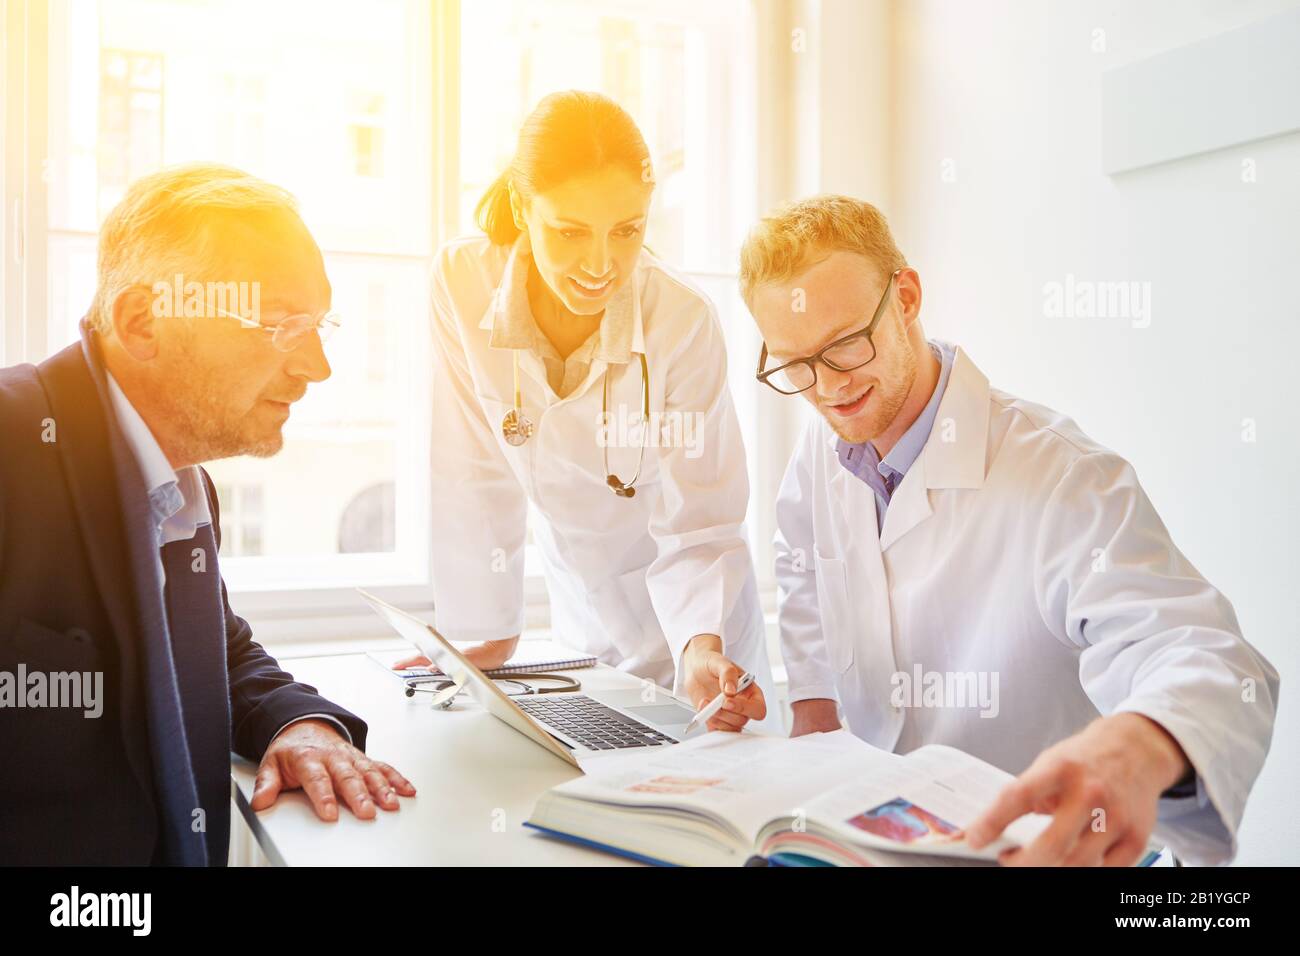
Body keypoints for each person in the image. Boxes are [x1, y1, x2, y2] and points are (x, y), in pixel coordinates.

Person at [741, 194, 1278, 865]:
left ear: (905, 297)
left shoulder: (1062, 475)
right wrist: (813, 717)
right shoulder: (821, 454)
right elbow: (801, 567)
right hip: (865, 830)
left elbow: (1210, 657)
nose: (827, 388)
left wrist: (1136, 746)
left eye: (847, 344)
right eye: (796, 364)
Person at [0, 163, 415, 865]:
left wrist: (300, 721)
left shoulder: (183, 482)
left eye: (318, 326)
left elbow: (214, 648)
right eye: (283, 326)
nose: (317, 366)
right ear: (143, 322)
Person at [404, 91, 772, 729]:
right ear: (523, 207)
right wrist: (486, 633)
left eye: (627, 230)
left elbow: (702, 521)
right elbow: (472, 466)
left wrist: (700, 645)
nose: (602, 265)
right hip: (585, 631)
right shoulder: (463, 281)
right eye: (570, 231)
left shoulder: (680, 322)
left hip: (705, 650)